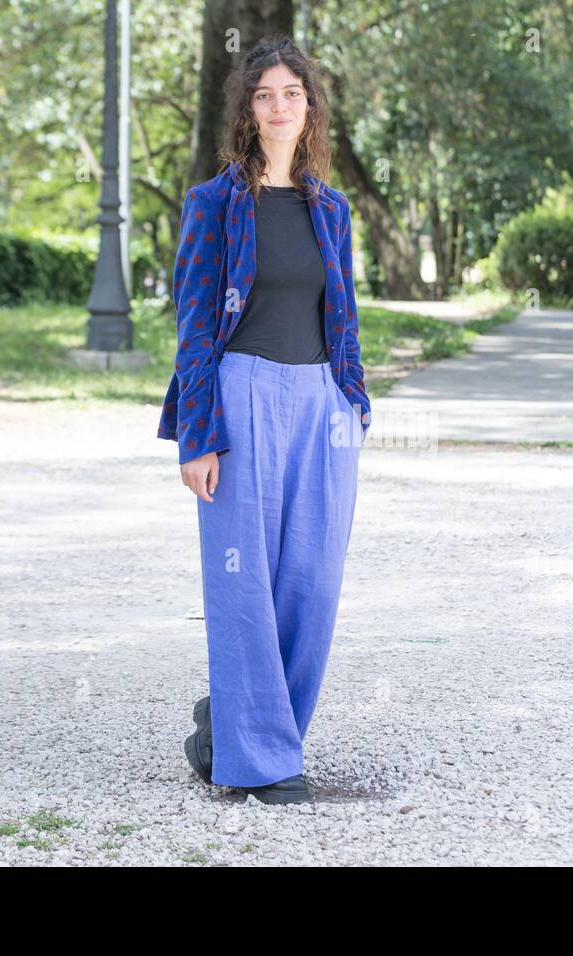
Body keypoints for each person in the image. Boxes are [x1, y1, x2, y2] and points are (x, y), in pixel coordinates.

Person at [156, 34, 371, 805]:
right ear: (247, 111)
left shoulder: (331, 209)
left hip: (321, 404)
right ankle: (262, 760)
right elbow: (194, 325)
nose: (279, 106)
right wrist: (197, 433)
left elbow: (341, 315)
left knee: (310, 582)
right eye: (264, 95)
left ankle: (235, 723)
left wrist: (353, 404)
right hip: (241, 398)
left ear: (309, 106)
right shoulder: (215, 204)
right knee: (243, 584)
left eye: (292, 93)